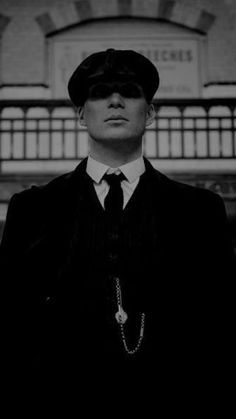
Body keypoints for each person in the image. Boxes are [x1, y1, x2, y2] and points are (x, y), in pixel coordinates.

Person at [0, 49, 235, 409]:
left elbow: (221, 327)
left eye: (129, 91)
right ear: (81, 115)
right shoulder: (32, 210)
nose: (114, 100)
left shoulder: (198, 211)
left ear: (151, 112)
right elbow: (11, 326)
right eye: (99, 93)